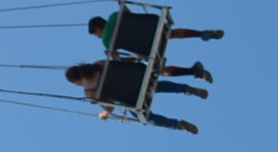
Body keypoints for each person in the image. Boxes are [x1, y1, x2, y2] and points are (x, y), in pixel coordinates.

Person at [63, 60, 211, 134]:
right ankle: (189, 89)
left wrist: (105, 114)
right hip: (140, 81)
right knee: (156, 85)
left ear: (77, 81)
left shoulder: (89, 92)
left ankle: (178, 125)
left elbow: (110, 106)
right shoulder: (98, 64)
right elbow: (123, 63)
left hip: (133, 99)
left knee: (146, 118)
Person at [88, 13, 222, 46]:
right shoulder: (114, 15)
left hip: (146, 44)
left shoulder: (106, 41)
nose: (98, 37)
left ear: (97, 28)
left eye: (96, 34)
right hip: (151, 25)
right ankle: (200, 34)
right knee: (171, 33)